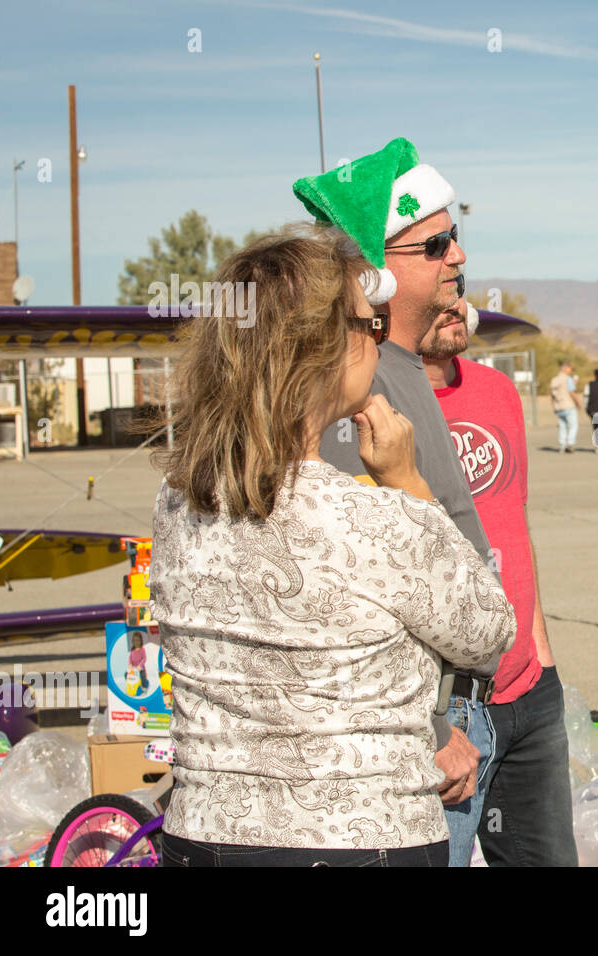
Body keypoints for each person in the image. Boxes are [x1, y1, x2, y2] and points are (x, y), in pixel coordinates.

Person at [148, 229, 515, 866]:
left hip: (201, 835)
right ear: (322, 350)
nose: (378, 341)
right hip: (360, 839)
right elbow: (487, 630)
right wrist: (409, 483)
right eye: (371, 326)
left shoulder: (176, 503)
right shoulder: (373, 518)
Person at [299, 137, 505, 866]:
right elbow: (349, 586)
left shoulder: (402, 366)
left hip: (465, 703)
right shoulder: (362, 381)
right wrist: (430, 726)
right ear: (379, 273)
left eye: (457, 238)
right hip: (432, 730)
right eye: (438, 244)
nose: (459, 257)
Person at [419, 297, 578, 865]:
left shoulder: (496, 391)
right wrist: (432, 727)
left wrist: (543, 661)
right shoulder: (370, 409)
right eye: (438, 287)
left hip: (529, 694)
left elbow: (514, 524)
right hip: (447, 712)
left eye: (459, 283)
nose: (455, 301)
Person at [550, 362, 578, 453]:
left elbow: (552, 396)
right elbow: (572, 392)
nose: (570, 371)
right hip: (568, 406)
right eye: (570, 369)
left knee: (562, 427)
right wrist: (577, 402)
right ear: (565, 369)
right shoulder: (568, 379)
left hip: (558, 407)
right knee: (573, 426)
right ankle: (570, 443)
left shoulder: (554, 380)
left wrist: (554, 406)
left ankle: (562, 445)